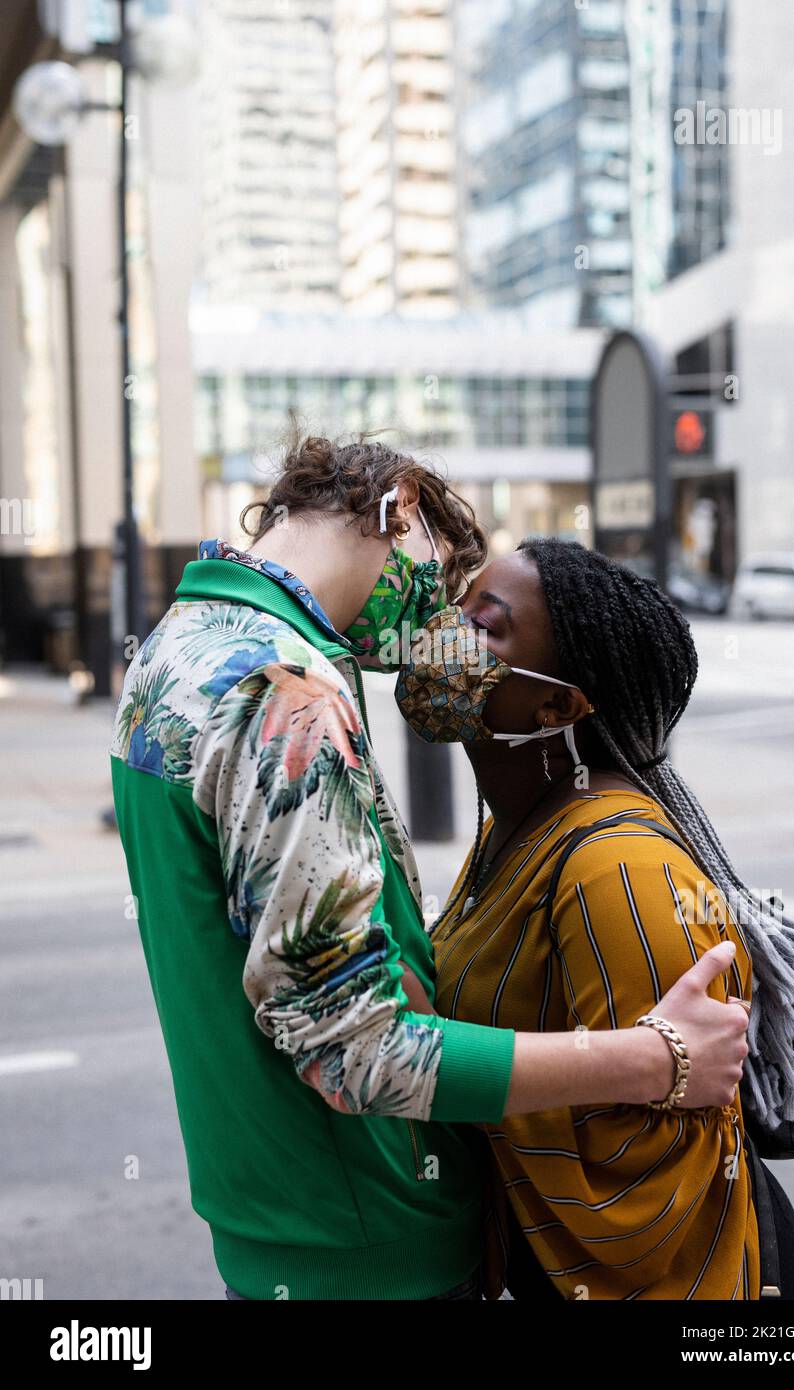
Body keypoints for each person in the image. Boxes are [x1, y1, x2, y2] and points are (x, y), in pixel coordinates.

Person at [110, 432, 749, 1301]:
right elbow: (355, 1053)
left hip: (282, 1228)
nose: (438, 625)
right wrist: (655, 1060)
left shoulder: (167, 655)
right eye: (445, 581)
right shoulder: (287, 695)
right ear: (397, 507)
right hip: (370, 1238)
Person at [396, 539, 794, 1300]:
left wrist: (451, 1076)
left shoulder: (617, 870)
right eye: (459, 608)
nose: (446, 635)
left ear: (557, 706)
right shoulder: (513, 827)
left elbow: (646, 1184)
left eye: (484, 627)